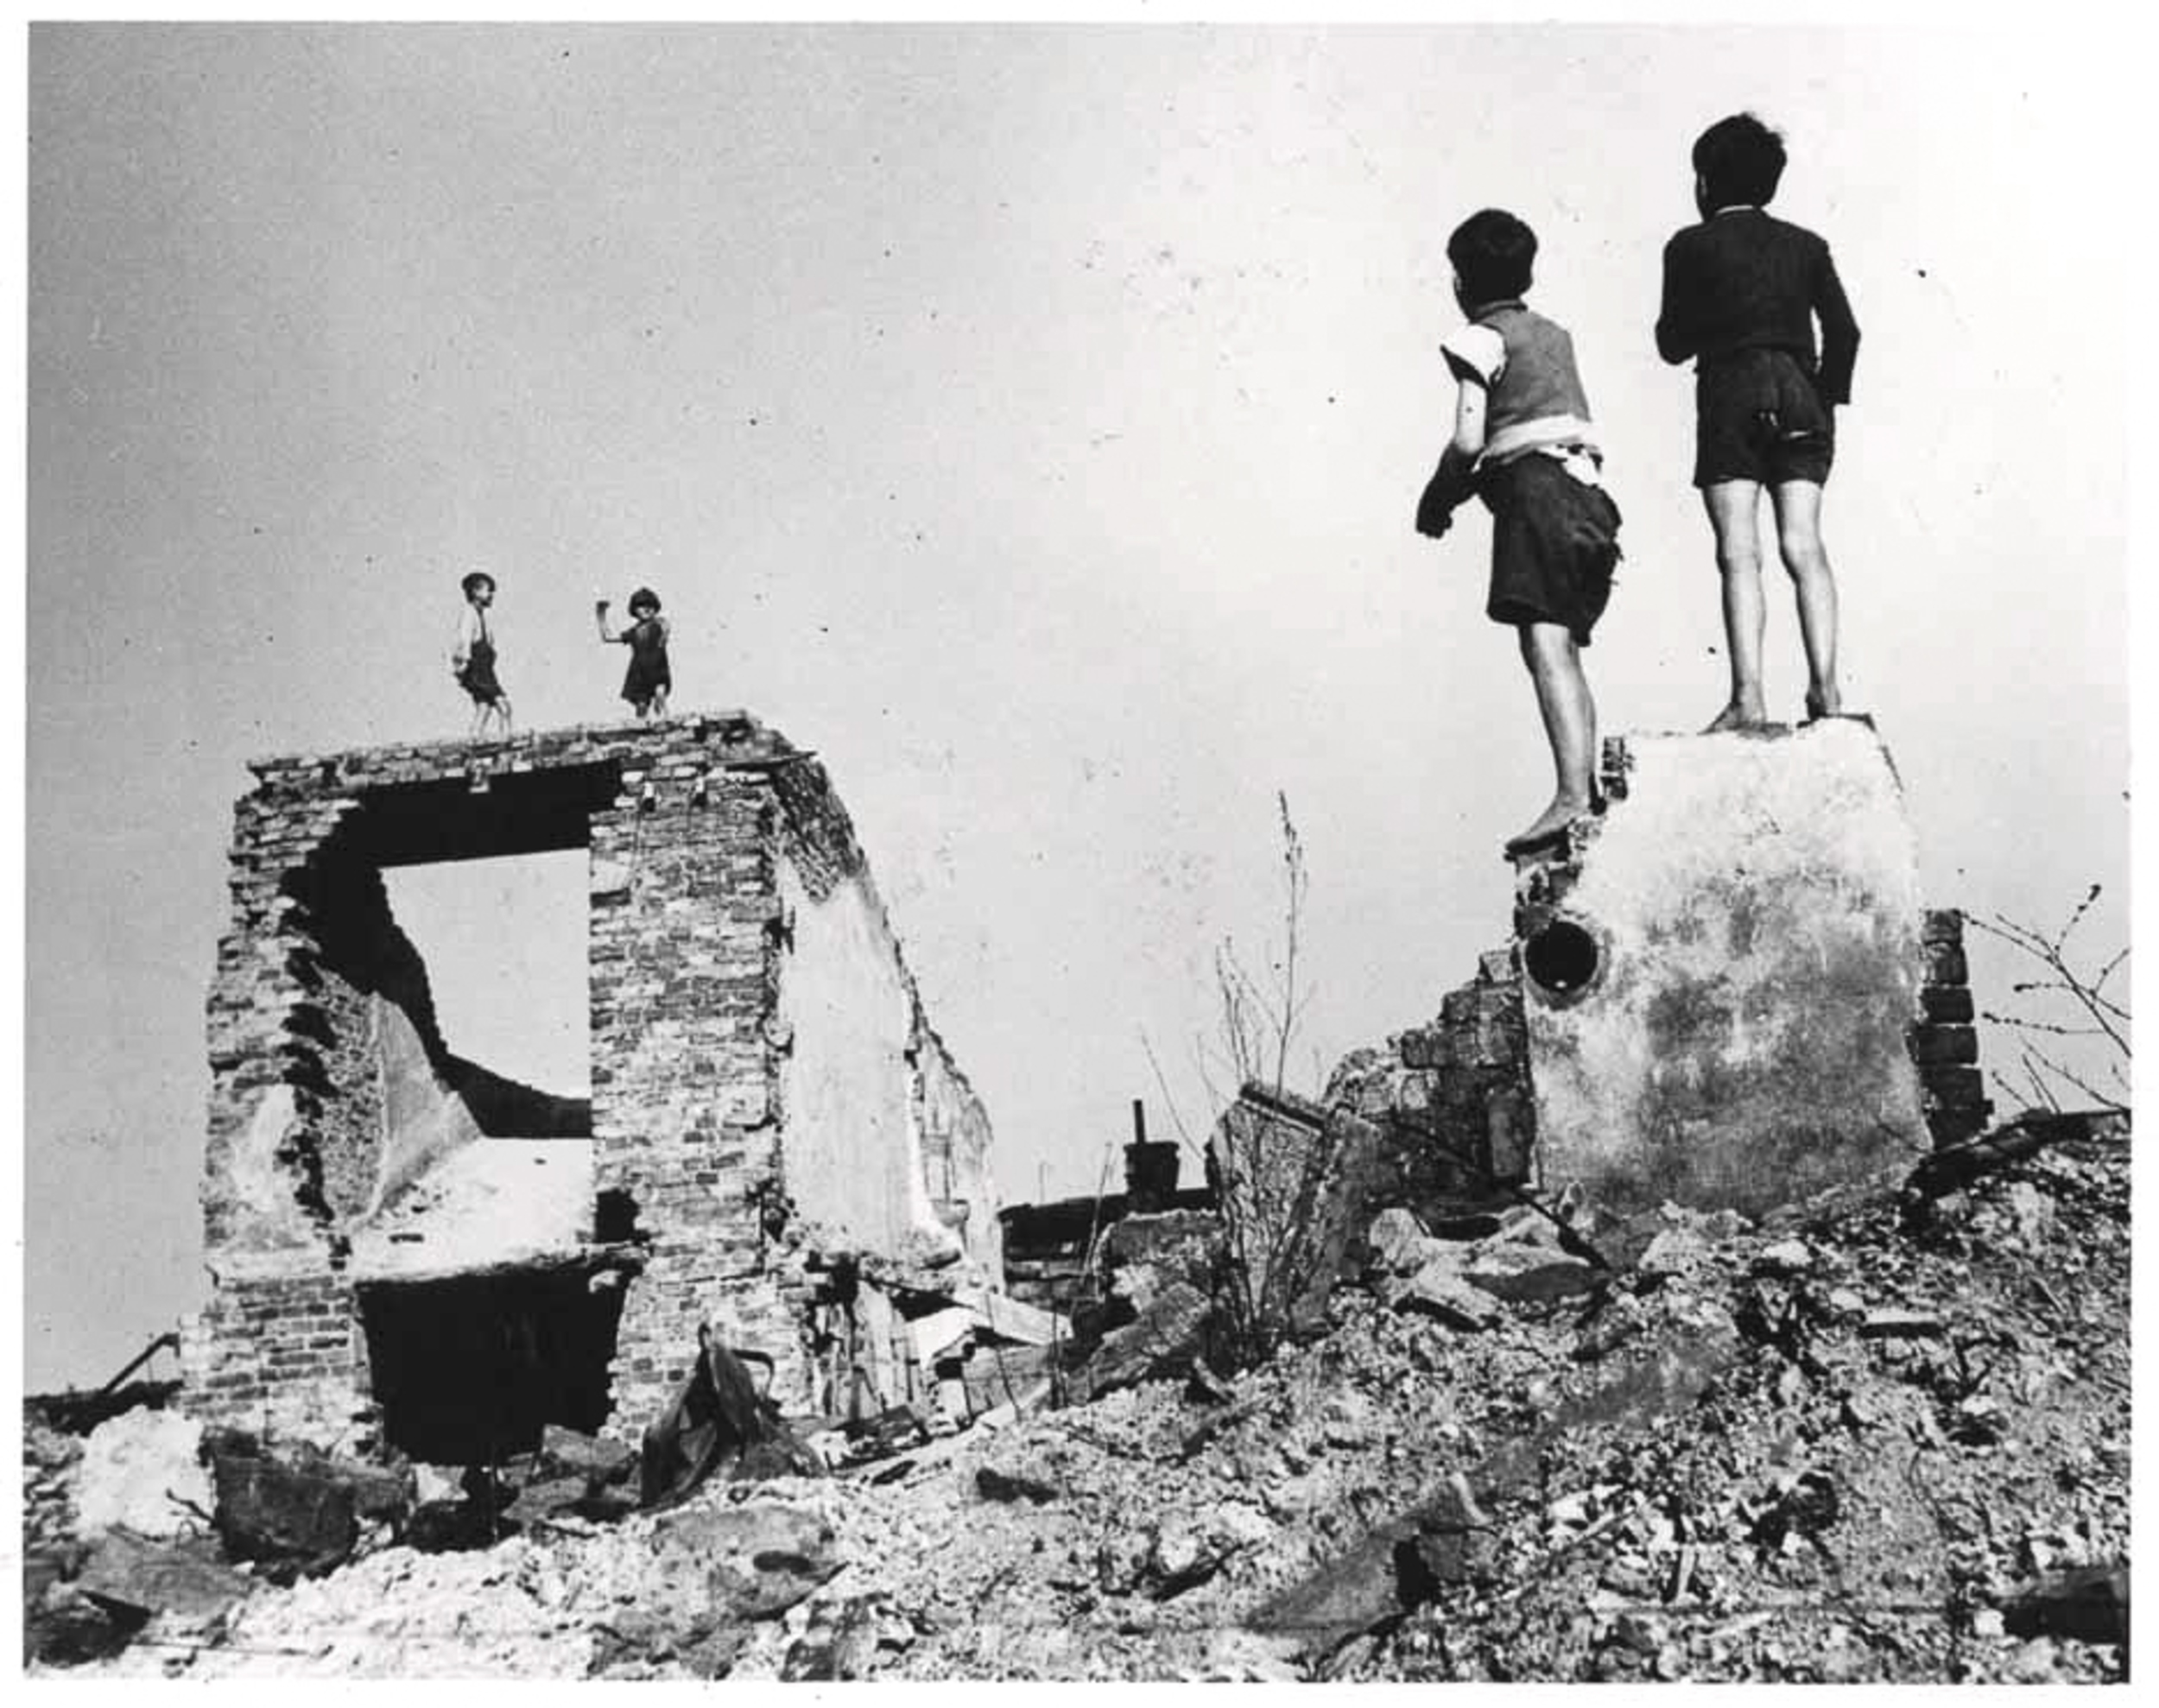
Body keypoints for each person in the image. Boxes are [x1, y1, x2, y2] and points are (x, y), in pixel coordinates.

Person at [1416, 207, 1624, 857]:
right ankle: (1584, 792)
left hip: (1538, 498)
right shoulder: (1555, 335)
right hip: (1592, 500)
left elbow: (1468, 439)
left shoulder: (1480, 338)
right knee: (1561, 648)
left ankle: (1569, 794)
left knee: (1545, 647)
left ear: (1459, 282)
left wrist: (1437, 497)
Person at [1656, 111, 1860, 731]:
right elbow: (1846, 332)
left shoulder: (1688, 246)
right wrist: (1823, 397)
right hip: (1802, 390)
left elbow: (1673, 342)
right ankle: (1826, 689)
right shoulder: (1807, 244)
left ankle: (1748, 696)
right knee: (1805, 543)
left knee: (1739, 551)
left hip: (1731, 391)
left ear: (1705, 184)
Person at [451, 570, 512, 738]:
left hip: (484, 668)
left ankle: (475, 739)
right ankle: (505, 741)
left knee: (484, 707)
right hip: (477, 669)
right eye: (488, 590)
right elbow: (463, 641)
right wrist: (462, 666)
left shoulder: (483, 615)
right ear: (476, 592)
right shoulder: (469, 614)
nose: (491, 594)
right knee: (504, 707)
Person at [596, 585, 672, 718]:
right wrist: (601, 616)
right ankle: (641, 726)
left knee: (660, 693)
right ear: (635, 610)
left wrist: (664, 635)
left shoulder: (658, 624)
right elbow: (608, 637)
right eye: (641, 606)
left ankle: (666, 719)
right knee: (641, 705)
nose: (647, 608)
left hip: (657, 668)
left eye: (650, 605)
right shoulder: (634, 631)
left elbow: (666, 626)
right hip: (639, 673)